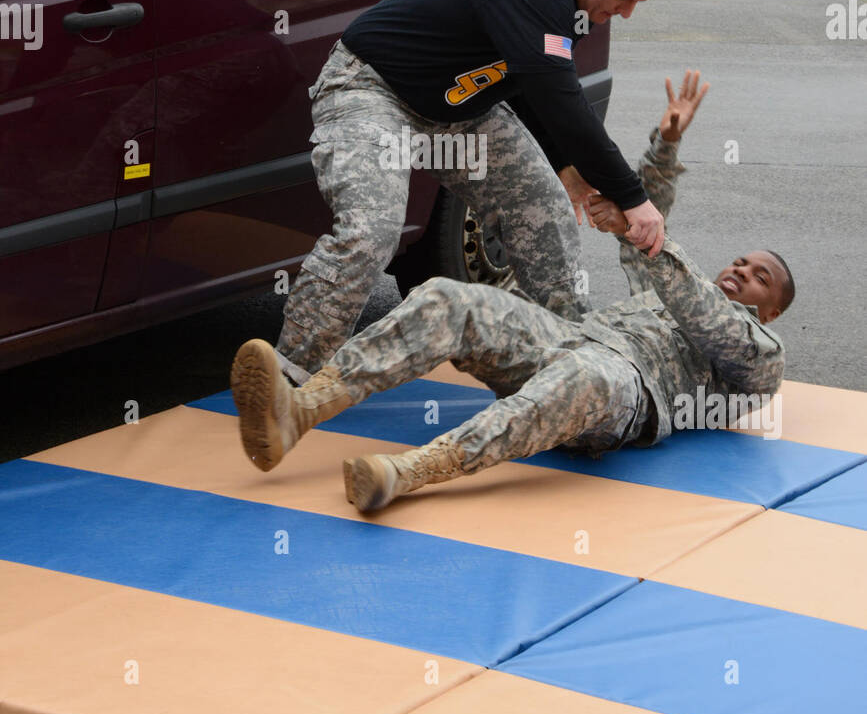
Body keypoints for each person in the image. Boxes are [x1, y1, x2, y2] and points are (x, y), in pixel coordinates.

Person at [231, 70, 795, 512]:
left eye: (758, 278)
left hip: (624, 392)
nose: (742, 271)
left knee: (587, 374)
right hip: (570, 341)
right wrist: (666, 145)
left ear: (770, 312)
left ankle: (407, 473)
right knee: (448, 298)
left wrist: (644, 236)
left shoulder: (759, 360)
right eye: (743, 262)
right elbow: (648, 221)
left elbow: (695, 303)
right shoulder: (663, 294)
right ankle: (300, 409)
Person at [257, 0, 672, 390]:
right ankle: (289, 376)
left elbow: (529, 83)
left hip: (452, 109)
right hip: (372, 89)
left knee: (544, 209)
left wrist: (564, 165)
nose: (625, 13)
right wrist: (635, 198)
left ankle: (569, 364)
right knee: (373, 229)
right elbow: (564, 102)